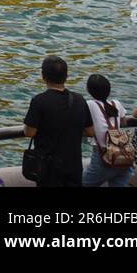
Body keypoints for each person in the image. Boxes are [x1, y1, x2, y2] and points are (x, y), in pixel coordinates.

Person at [24, 55, 93, 186]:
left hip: (48, 168)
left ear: (43, 77)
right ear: (66, 77)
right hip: (74, 166)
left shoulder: (39, 101)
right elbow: (90, 131)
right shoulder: (79, 100)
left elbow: (29, 132)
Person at [82, 74, 133, 187]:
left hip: (103, 156)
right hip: (123, 155)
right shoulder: (116, 103)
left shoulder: (90, 104)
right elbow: (123, 122)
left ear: (88, 90)